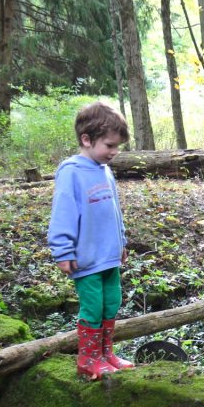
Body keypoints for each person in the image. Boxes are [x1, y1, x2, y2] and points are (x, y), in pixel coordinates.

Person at [48, 102, 133, 380]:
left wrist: (121, 242)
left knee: (112, 302)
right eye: (109, 145)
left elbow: (115, 211)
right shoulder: (71, 171)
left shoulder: (105, 170)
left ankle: (106, 353)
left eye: (117, 146)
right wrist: (62, 250)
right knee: (93, 305)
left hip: (109, 255)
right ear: (87, 139)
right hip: (86, 257)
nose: (114, 152)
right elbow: (63, 212)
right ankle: (88, 359)